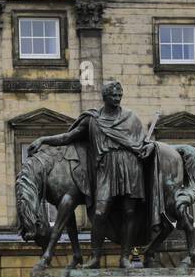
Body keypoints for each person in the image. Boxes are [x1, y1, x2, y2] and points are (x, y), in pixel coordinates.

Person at [28, 79, 155, 267]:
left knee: (130, 212)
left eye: (120, 95)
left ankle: (125, 257)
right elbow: (67, 137)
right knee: (99, 212)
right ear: (105, 97)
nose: (117, 98)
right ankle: (95, 258)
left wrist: (149, 147)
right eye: (113, 95)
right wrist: (44, 139)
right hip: (105, 168)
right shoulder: (92, 119)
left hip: (130, 167)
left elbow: (143, 143)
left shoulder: (132, 118)